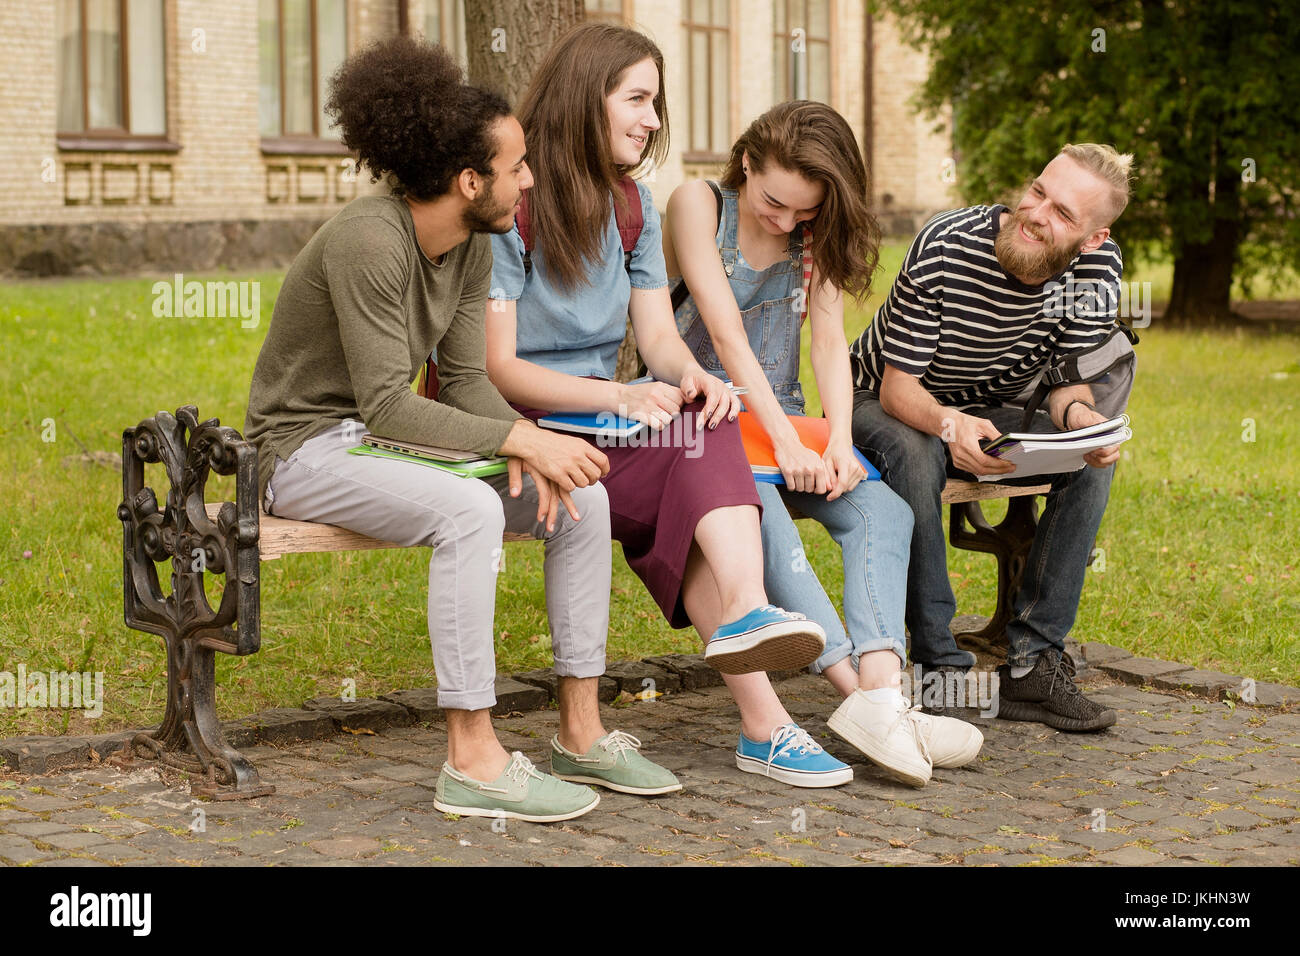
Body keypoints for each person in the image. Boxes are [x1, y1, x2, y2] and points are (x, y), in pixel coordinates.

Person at [244, 36, 682, 824]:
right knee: (470, 510)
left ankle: (580, 730)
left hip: (381, 445)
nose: (531, 177)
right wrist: (521, 440)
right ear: (468, 179)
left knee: (584, 496)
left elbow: (471, 380)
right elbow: (385, 404)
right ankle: (473, 758)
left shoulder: (477, 243)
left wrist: (537, 444)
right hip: (302, 448)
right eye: (516, 166)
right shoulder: (369, 240)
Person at [484, 23, 845, 787]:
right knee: (689, 453)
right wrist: (620, 393)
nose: (653, 119)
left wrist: (691, 376)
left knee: (704, 419)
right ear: (588, 98)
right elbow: (500, 368)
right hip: (522, 433)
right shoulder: (513, 205)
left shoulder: (635, 207)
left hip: (606, 425)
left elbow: (658, 337)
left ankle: (752, 638)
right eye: (637, 99)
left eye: (655, 101)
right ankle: (765, 721)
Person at [664, 101, 983, 787]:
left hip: (786, 425)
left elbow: (830, 341)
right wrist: (787, 444)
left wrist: (836, 441)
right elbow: (725, 338)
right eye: (774, 202)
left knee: (884, 511)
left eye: (801, 213)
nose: (785, 222)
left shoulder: (815, 231)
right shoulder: (698, 203)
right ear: (747, 161)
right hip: (699, 422)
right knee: (766, 524)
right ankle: (859, 700)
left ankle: (882, 693)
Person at [849, 143, 1135, 732]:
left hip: (993, 408)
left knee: (1093, 460)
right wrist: (949, 424)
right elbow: (900, 391)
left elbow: (1066, 386)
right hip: (877, 400)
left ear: (1092, 239)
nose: (1036, 214)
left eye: (1062, 213)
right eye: (1038, 192)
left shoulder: (1099, 271)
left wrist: (1084, 424)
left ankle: (1032, 663)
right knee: (916, 447)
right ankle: (938, 665)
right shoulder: (947, 244)